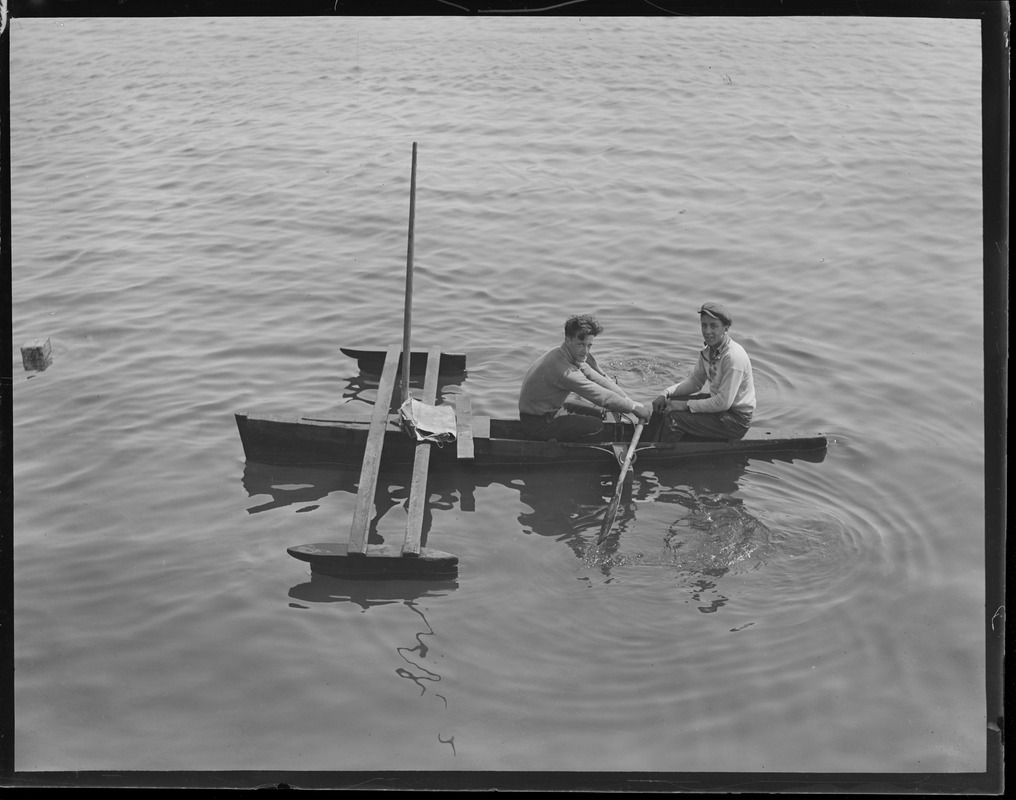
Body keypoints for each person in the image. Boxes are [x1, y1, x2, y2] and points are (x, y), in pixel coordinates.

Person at [519, 314, 653, 442]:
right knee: (597, 427)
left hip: (551, 411)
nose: (586, 351)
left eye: (589, 345)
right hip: (538, 424)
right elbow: (601, 397)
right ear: (568, 340)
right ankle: (559, 447)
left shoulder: (565, 353)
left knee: (600, 414)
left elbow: (599, 380)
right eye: (581, 344)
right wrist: (633, 408)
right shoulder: (564, 371)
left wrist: (629, 401)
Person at [650, 302, 756, 441]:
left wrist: (684, 405)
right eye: (704, 325)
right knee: (666, 404)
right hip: (721, 409)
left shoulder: (733, 357)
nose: (707, 331)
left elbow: (723, 403)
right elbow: (695, 382)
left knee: (673, 418)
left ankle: (658, 451)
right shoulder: (708, 351)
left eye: (713, 326)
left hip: (736, 420)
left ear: (725, 328)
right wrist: (665, 393)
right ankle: (647, 442)